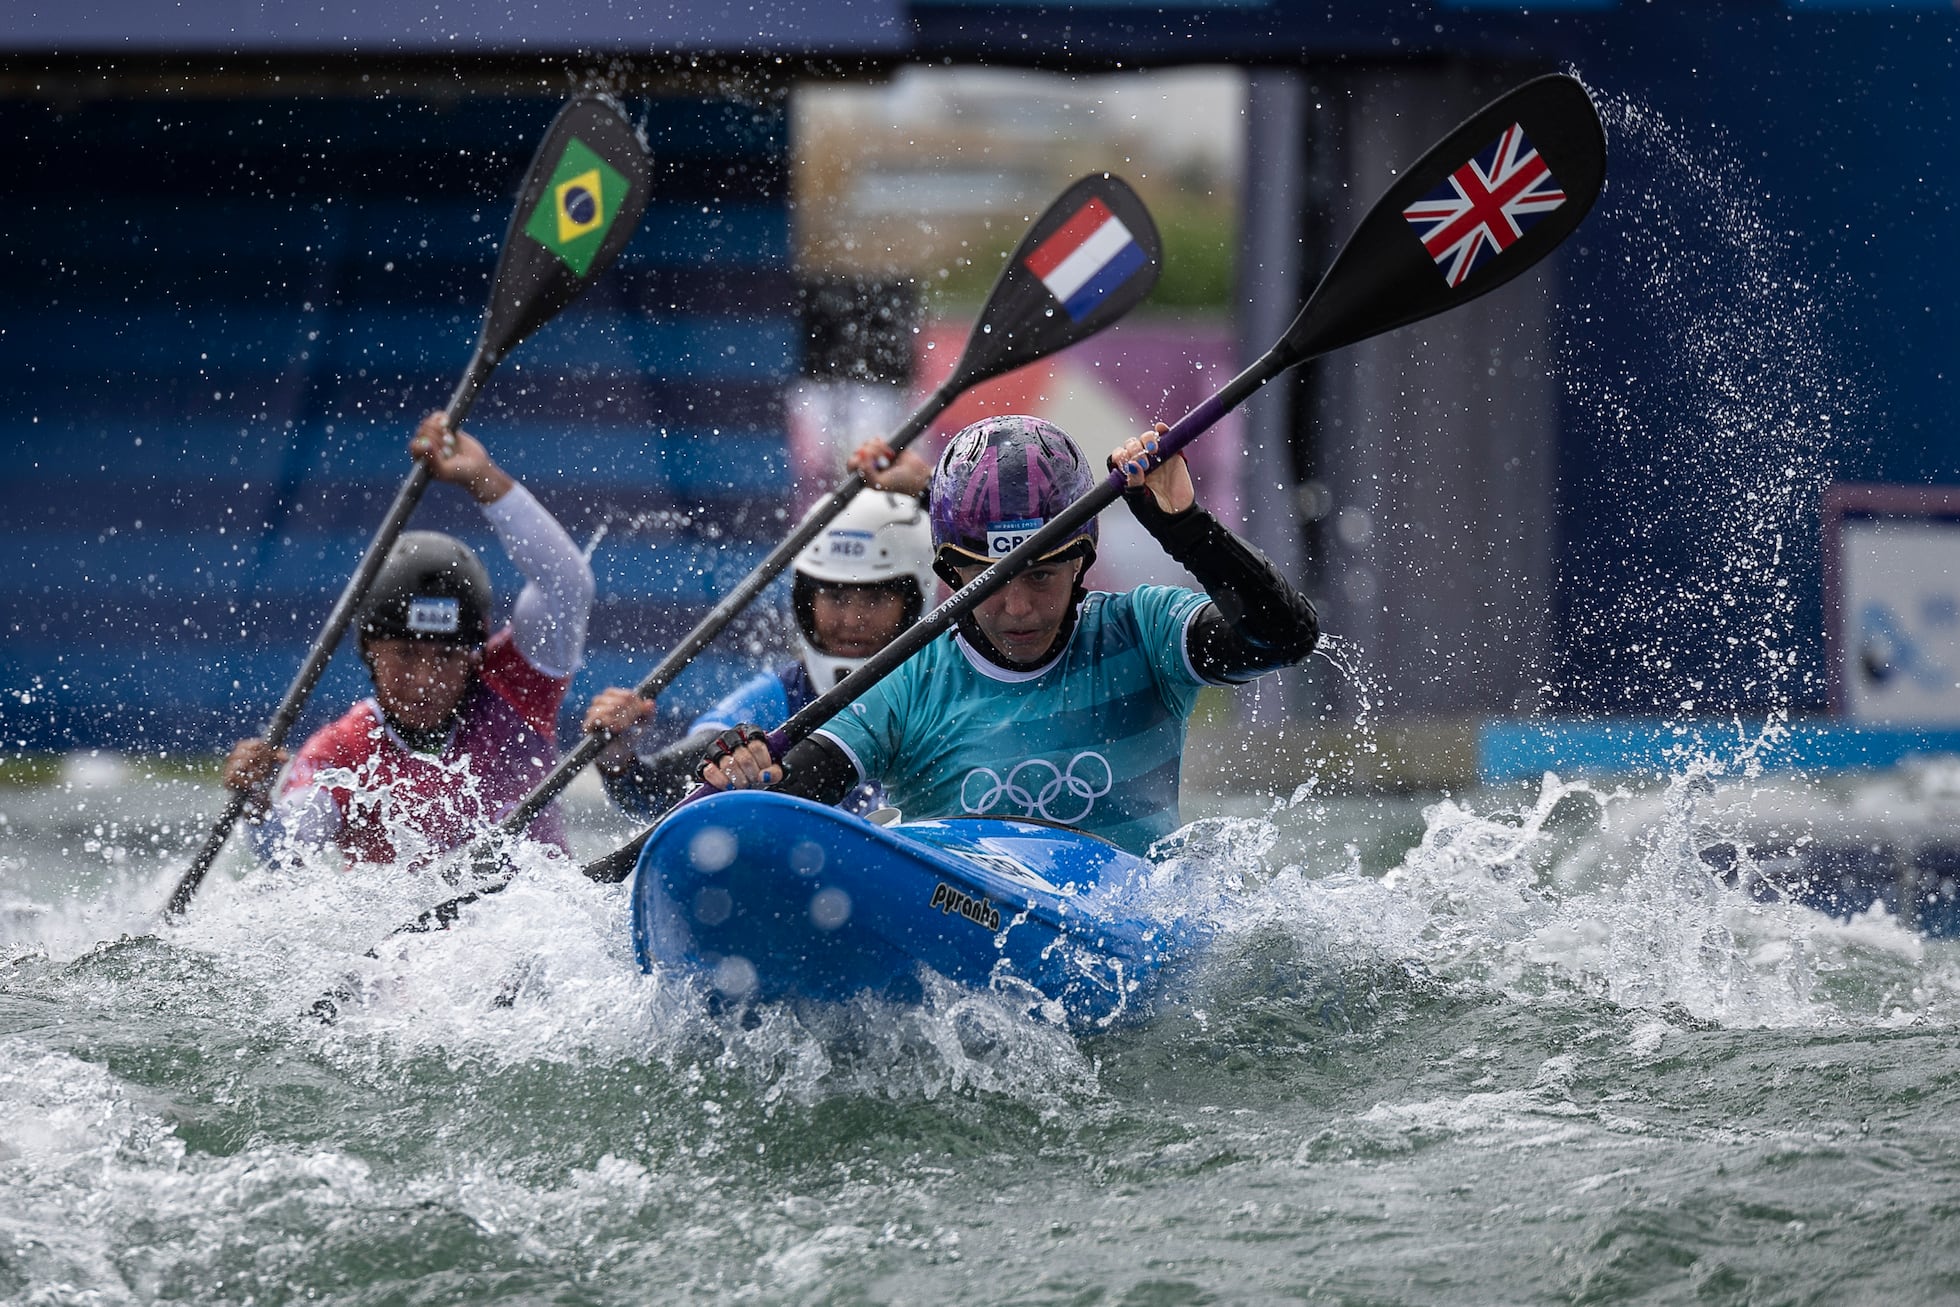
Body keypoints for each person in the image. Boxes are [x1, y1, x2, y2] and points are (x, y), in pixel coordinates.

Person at [694, 414, 1320, 855]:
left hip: (1135, 940)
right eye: (987, 580)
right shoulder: (904, 679)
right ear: (948, 571)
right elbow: (802, 785)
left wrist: (1185, 528)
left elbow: (1284, 637)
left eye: (1042, 576)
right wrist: (748, 782)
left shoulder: (1145, 631)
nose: (1018, 606)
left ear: (1083, 563)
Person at [223, 413, 596, 866]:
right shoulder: (342, 752)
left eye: (446, 657)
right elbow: (285, 856)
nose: (424, 679)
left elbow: (567, 583)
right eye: (405, 654)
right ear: (369, 650)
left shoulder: (517, 687)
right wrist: (258, 805)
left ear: (474, 653)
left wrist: (482, 478)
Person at [582, 487, 935, 819]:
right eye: (835, 596)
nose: (851, 619)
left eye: (874, 599)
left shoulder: (945, 690)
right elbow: (659, 794)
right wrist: (618, 759)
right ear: (805, 599)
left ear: (916, 600)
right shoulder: (778, 697)